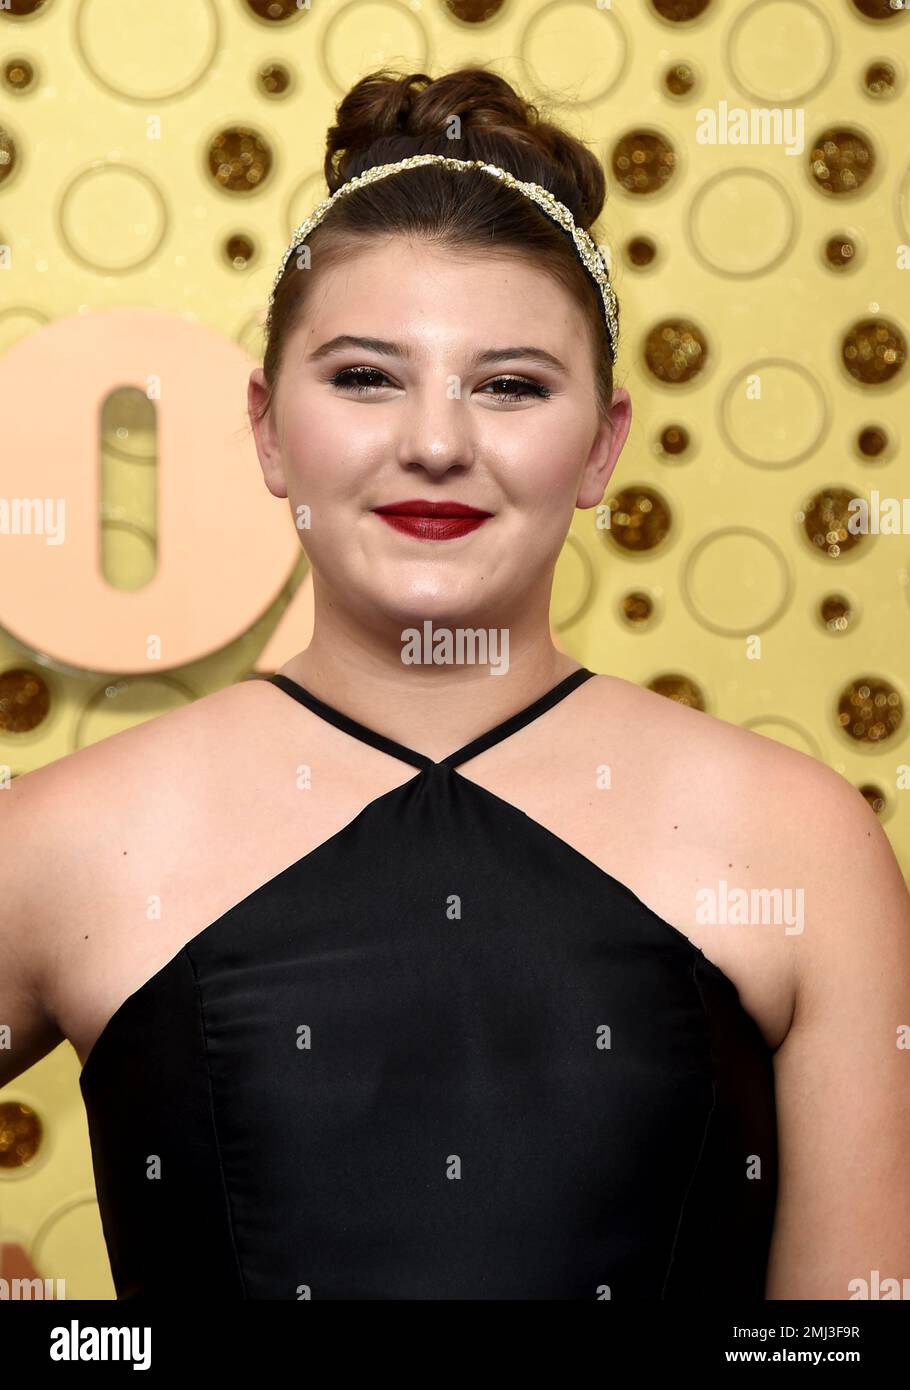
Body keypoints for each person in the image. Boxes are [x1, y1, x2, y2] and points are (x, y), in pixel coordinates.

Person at [2, 66, 908, 1302]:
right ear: (268, 429)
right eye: (367, 376)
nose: (435, 441)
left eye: (512, 385)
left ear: (601, 447)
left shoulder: (802, 844)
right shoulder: (63, 841)